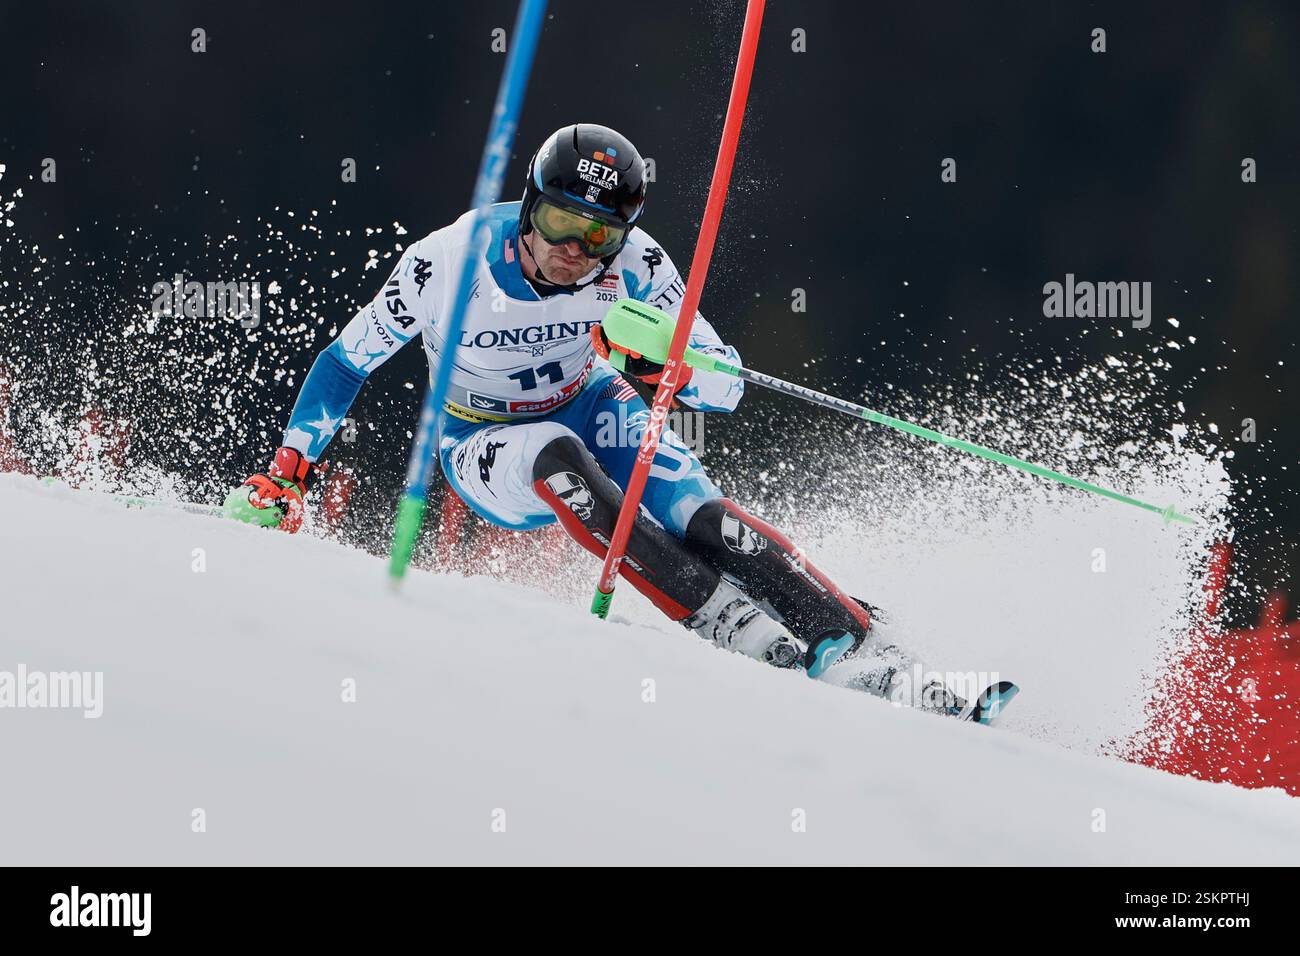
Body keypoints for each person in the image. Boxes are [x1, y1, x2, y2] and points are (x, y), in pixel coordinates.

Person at [226, 123, 939, 698]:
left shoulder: (639, 266)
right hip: (482, 437)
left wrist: (668, 365)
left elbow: (728, 387)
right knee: (558, 461)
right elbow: (346, 362)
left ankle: (857, 636)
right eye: (563, 222)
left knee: (700, 515)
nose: (575, 250)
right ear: (531, 206)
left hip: (588, 398)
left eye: (599, 234)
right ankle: (732, 623)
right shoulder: (448, 262)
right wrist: (288, 472)